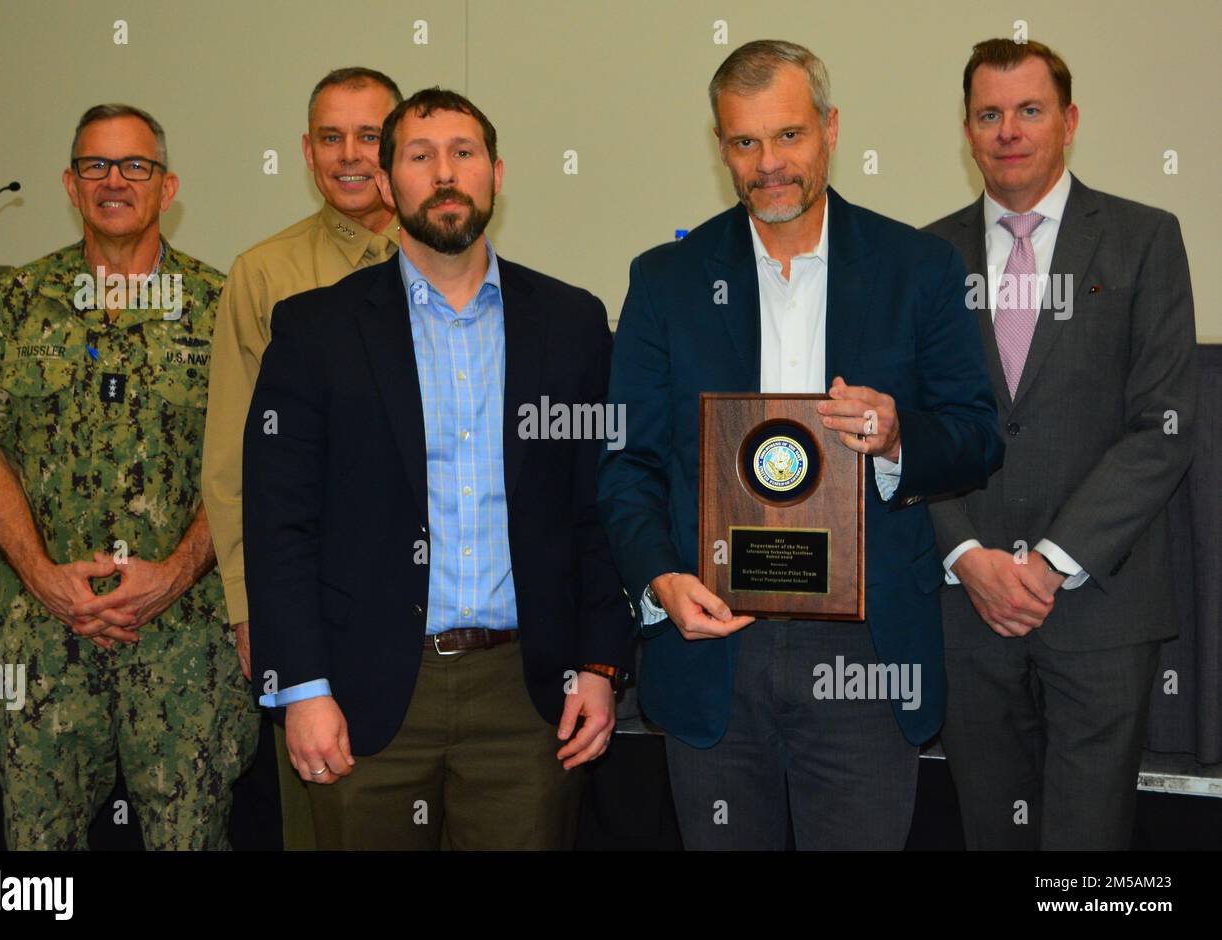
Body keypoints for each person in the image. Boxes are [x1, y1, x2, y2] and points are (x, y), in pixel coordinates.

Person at [597, 40, 1002, 850]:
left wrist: (894, 439)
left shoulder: (918, 268)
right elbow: (627, 462)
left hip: (864, 650)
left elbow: (975, 437)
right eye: (744, 142)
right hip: (713, 648)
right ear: (721, 150)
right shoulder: (666, 279)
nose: (768, 163)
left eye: (788, 136)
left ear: (830, 129)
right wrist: (659, 579)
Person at [242, 87, 633, 849]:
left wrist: (599, 665)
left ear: (496, 173)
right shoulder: (316, 330)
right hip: (363, 697)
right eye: (420, 157)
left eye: (464, 154)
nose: (445, 172)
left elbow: (600, 508)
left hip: (529, 699)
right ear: (387, 185)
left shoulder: (573, 323)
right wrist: (303, 689)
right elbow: (278, 520)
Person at [0, 104, 256, 849]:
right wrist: (43, 576)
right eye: (96, 165)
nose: (115, 180)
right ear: (70, 182)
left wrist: (177, 573)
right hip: (45, 636)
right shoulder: (10, 308)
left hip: (188, 643)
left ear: (167, 185)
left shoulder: (224, 310)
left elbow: (250, 460)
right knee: (37, 857)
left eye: (135, 166)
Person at [925, 39, 1197, 850]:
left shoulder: (1145, 240)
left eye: (1030, 110)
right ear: (968, 131)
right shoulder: (924, 258)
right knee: (989, 831)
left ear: (1068, 122)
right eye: (989, 114)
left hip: (1099, 606)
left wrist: (1048, 563)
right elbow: (909, 433)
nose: (1009, 130)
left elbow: (1165, 426)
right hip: (967, 606)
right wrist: (969, 554)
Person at [202, 65, 402, 851]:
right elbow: (230, 462)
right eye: (331, 136)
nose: (350, 154)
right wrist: (252, 608)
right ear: (307, 151)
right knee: (329, 823)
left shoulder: (457, 262)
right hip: (319, 609)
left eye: (370, 136)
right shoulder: (266, 275)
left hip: (450, 621)